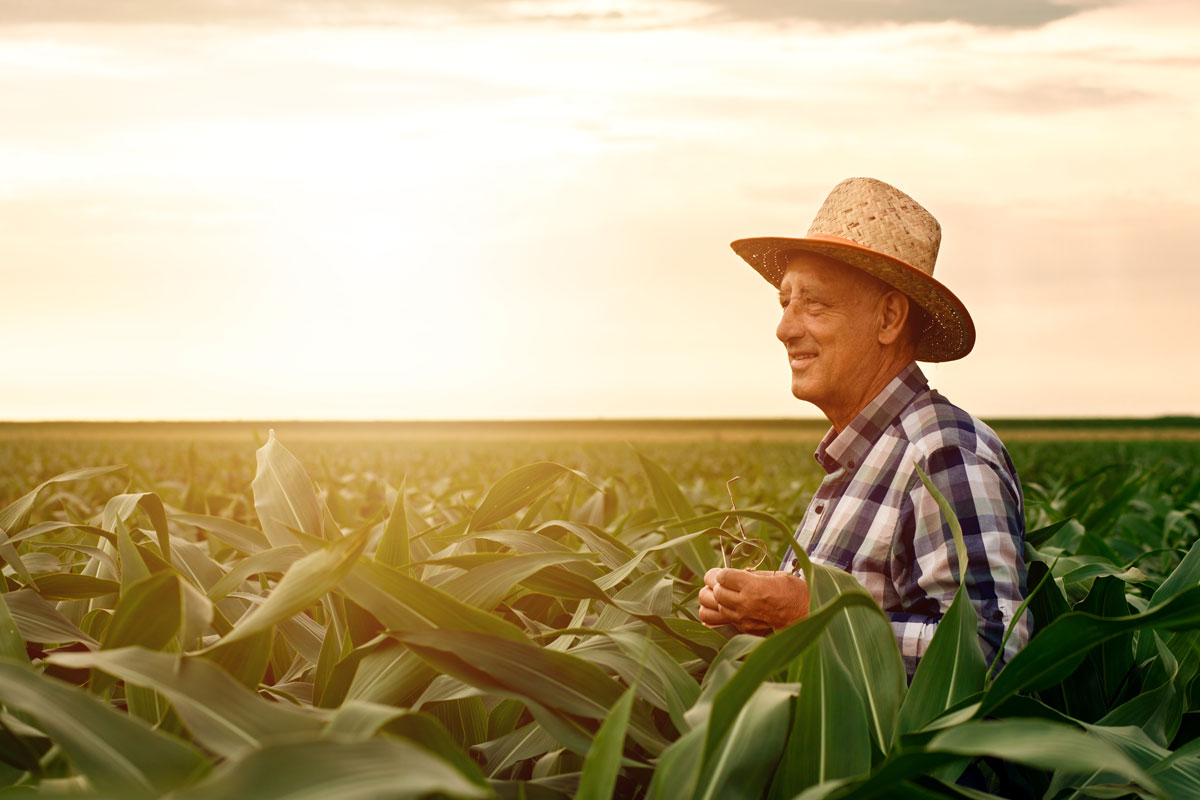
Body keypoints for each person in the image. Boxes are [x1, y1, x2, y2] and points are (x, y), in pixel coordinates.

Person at [697, 177, 1030, 678]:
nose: (785, 328)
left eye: (813, 303)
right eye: (784, 302)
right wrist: (756, 617)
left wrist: (806, 614)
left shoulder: (943, 454)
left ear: (889, 318)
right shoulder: (861, 458)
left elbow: (996, 653)